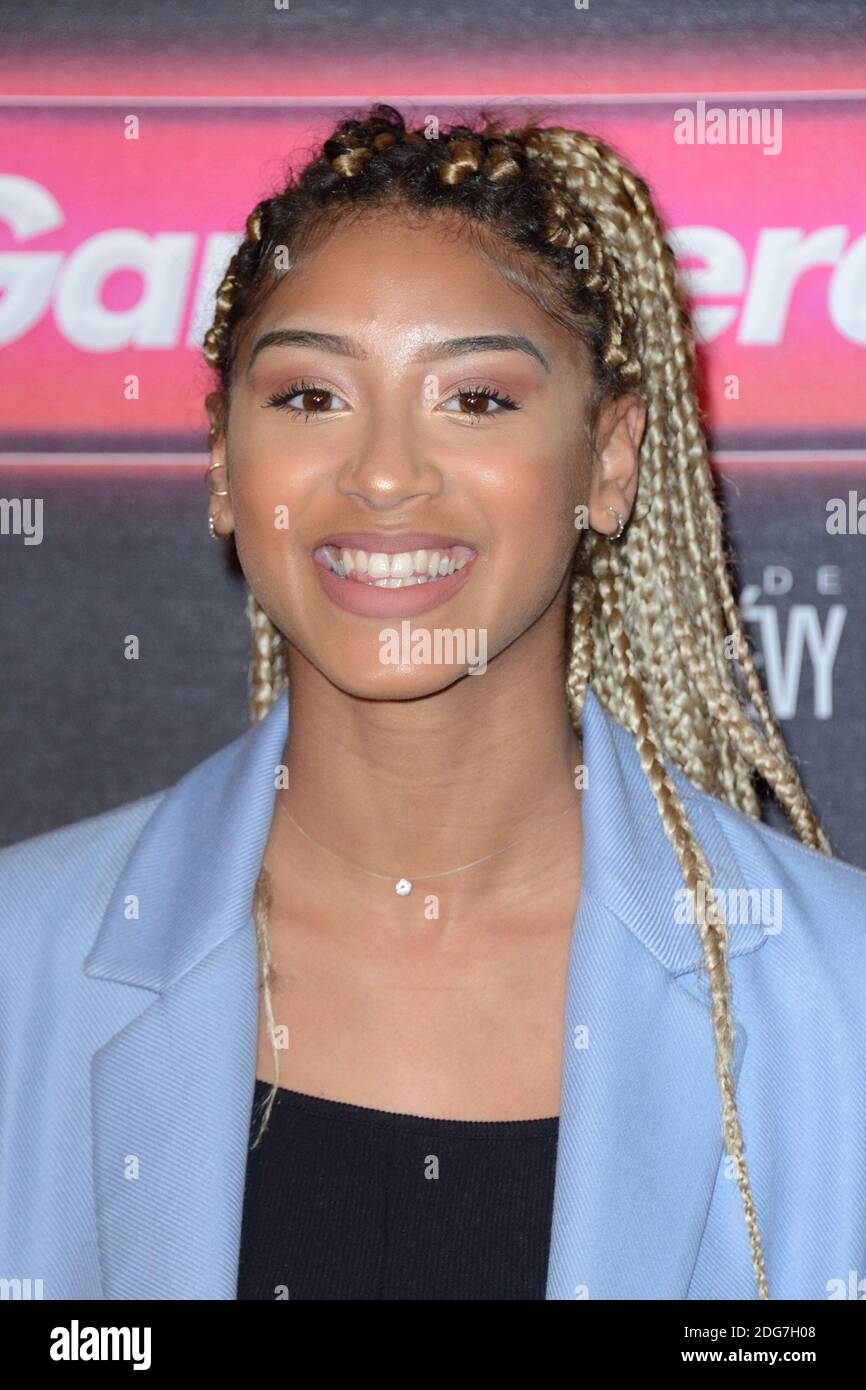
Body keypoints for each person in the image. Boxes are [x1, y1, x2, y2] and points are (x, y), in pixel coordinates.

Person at [1, 103, 865, 1303]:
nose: (385, 473)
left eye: (476, 399)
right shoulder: (19, 960)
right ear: (219, 463)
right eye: (309, 397)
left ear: (607, 463)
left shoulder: (840, 999)